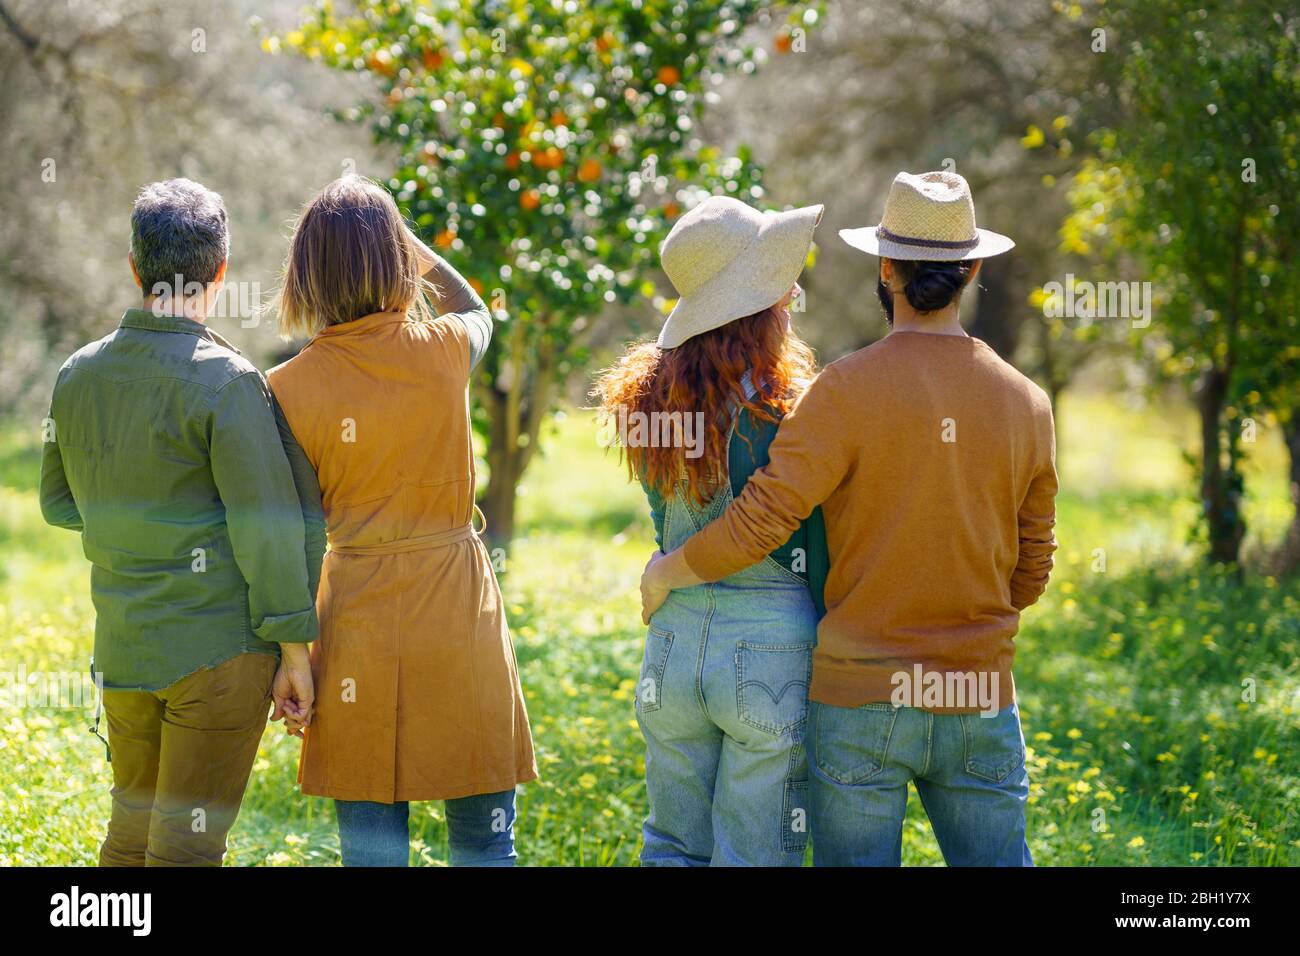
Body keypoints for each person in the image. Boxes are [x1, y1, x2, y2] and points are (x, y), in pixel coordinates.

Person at [639, 171, 1058, 866]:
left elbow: (762, 521)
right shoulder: (1027, 402)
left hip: (860, 694)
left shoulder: (841, 392)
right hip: (979, 689)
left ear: (885, 269)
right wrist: (967, 620)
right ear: (974, 268)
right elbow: (1033, 567)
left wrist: (667, 571)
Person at [39, 178, 319, 866]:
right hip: (218, 657)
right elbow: (266, 528)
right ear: (220, 272)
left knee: (131, 838)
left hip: (125, 652)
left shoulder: (77, 375)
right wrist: (294, 653)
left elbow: (58, 503)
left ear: (135, 268)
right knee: (187, 849)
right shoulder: (225, 381)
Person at [267, 175, 537, 867]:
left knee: (373, 857)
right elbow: (477, 306)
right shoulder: (446, 349)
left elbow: (291, 537)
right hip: (457, 610)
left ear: (306, 274)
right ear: (397, 260)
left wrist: (292, 658)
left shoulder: (286, 389)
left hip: (354, 618)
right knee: (485, 847)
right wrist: (413, 249)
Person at [595, 195, 829, 865]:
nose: (792, 291)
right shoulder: (792, 406)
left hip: (671, 642)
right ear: (760, 304)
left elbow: (663, 520)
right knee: (756, 853)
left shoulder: (646, 401)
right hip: (772, 645)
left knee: (672, 845)